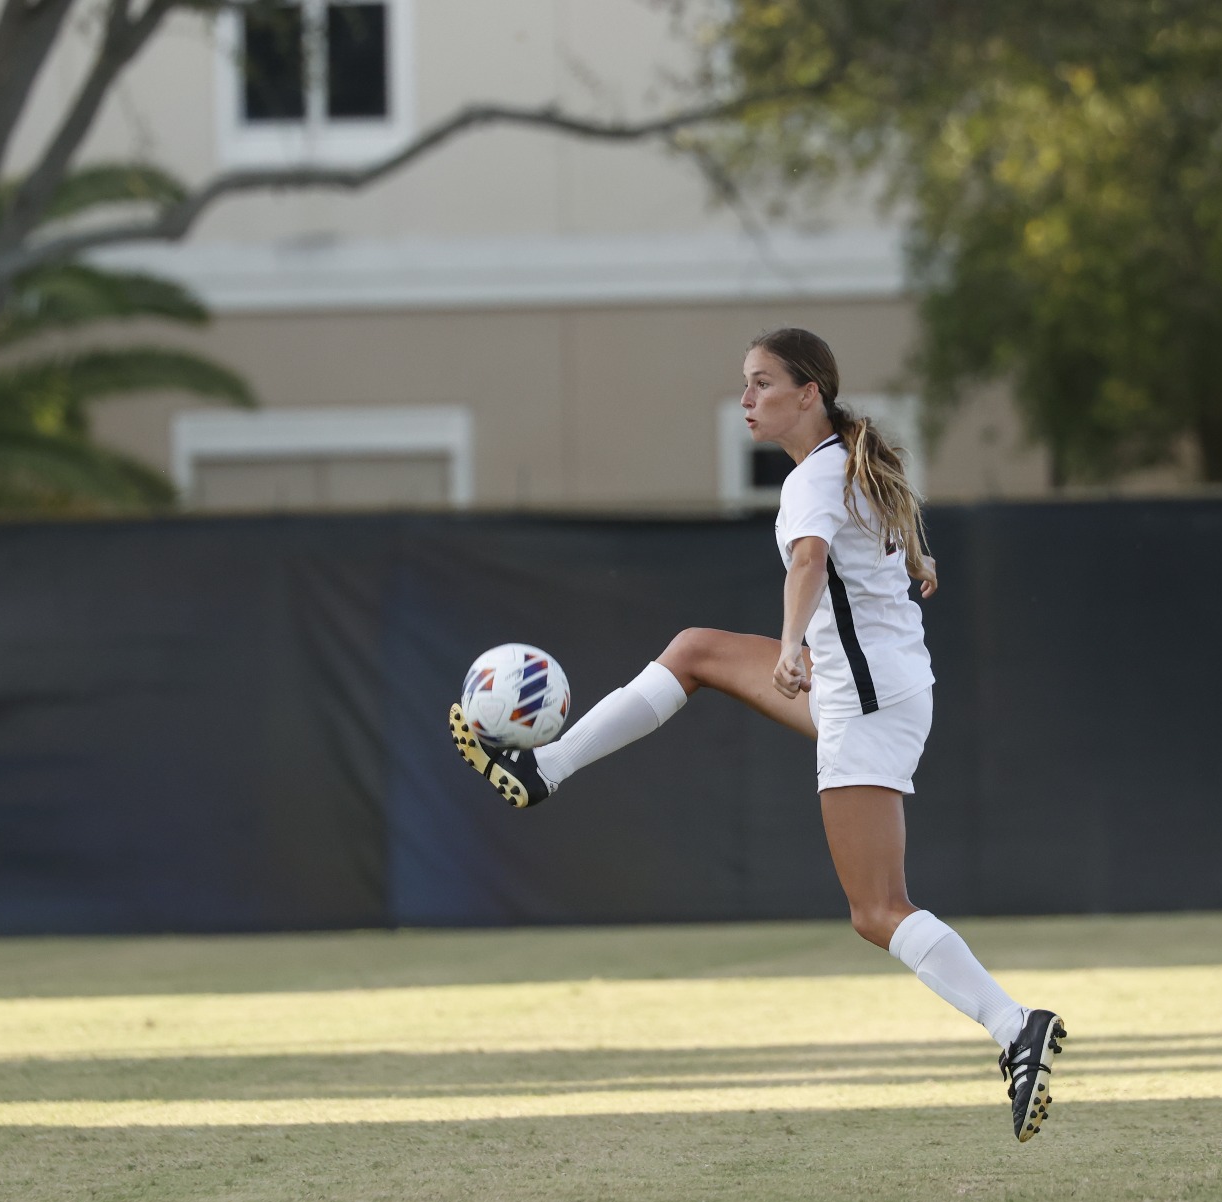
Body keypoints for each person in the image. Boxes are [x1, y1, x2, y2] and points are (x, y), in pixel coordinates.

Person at [448, 327, 1066, 1143]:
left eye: (763, 384)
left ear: (809, 392)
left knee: (876, 907)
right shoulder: (848, 451)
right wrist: (916, 556)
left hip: (865, 703)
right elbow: (875, 539)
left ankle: (1016, 1025)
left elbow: (809, 560)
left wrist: (787, 645)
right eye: (745, 384)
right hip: (872, 686)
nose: (747, 398)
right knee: (695, 651)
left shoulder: (816, 474)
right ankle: (545, 768)